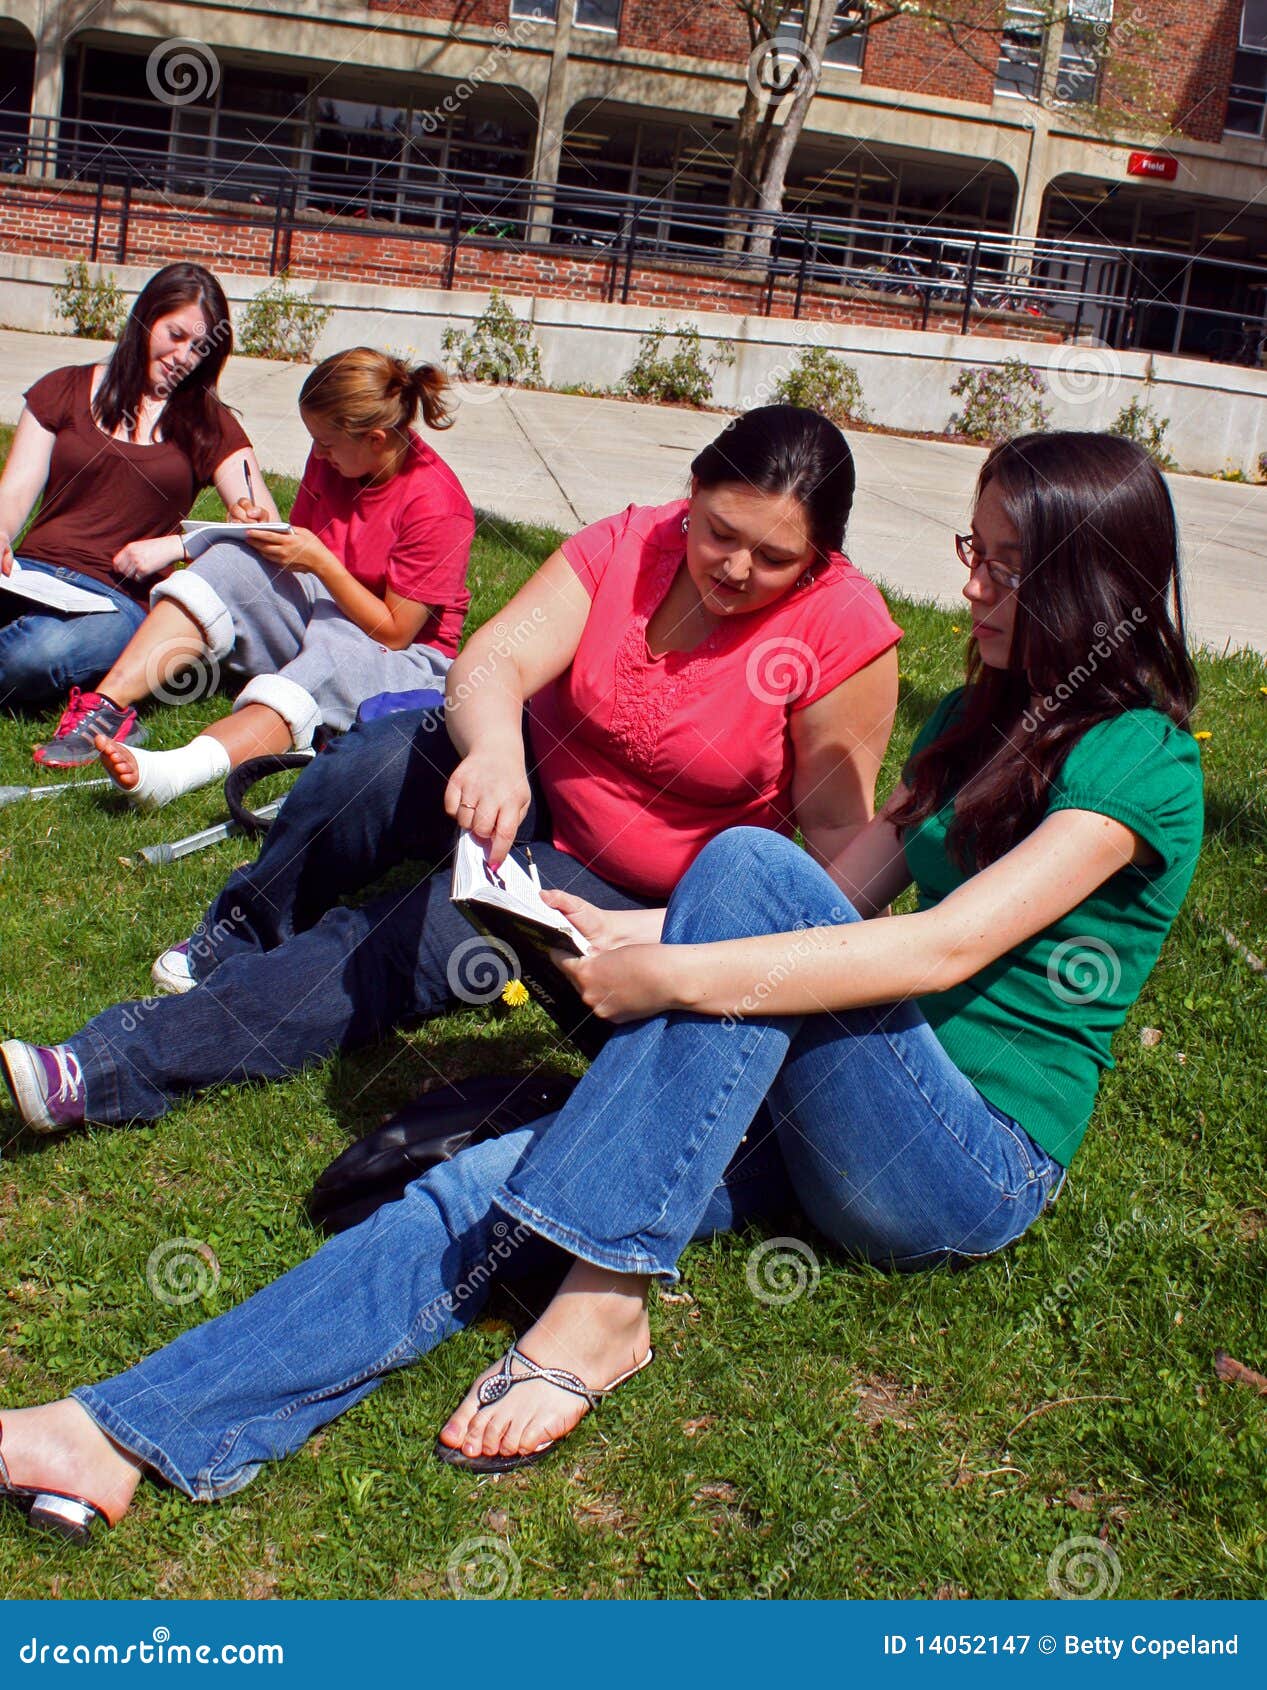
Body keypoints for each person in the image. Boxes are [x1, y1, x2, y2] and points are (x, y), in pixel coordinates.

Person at [0, 431, 1204, 1533]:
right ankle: (115, 1432)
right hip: (828, 1097)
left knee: (745, 863)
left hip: (961, 1160)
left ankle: (607, 1294)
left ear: (1086, 588)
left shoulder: (1142, 759)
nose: (972, 588)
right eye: (971, 554)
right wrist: (620, 921)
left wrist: (664, 971)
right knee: (480, 1194)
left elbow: (935, 949)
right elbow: (844, 897)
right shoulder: (978, 714)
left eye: (1003, 567)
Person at [0, 404, 900, 1129]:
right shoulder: (634, 541)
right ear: (691, 494)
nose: (735, 569)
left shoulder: (841, 632)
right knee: (381, 760)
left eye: (775, 558)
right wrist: (501, 755)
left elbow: (836, 865)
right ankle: (241, 926)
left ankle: (117, 1064)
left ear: (822, 555)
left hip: (635, 893)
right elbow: (490, 663)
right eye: (718, 533)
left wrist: (667, 930)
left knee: (413, 936)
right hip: (534, 786)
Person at [38, 348, 474, 808]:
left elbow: (397, 630)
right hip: (325, 609)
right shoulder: (335, 457)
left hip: (401, 656)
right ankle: (106, 707)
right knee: (230, 558)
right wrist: (261, 527)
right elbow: (302, 542)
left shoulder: (437, 505)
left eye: (326, 443)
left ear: (377, 439)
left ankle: (175, 771)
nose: (319, 454)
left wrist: (321, 561)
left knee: (331, 657)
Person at [0, 263, 273, 724]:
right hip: (32, 574)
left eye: (200, 347)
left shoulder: (211, 423)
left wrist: (174, 546)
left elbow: (264, 525)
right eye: (176, 334)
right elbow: (15, 490)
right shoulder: (63, 388)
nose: (184, 355)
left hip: (118, 601)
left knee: (36, 654)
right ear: (146, 318)